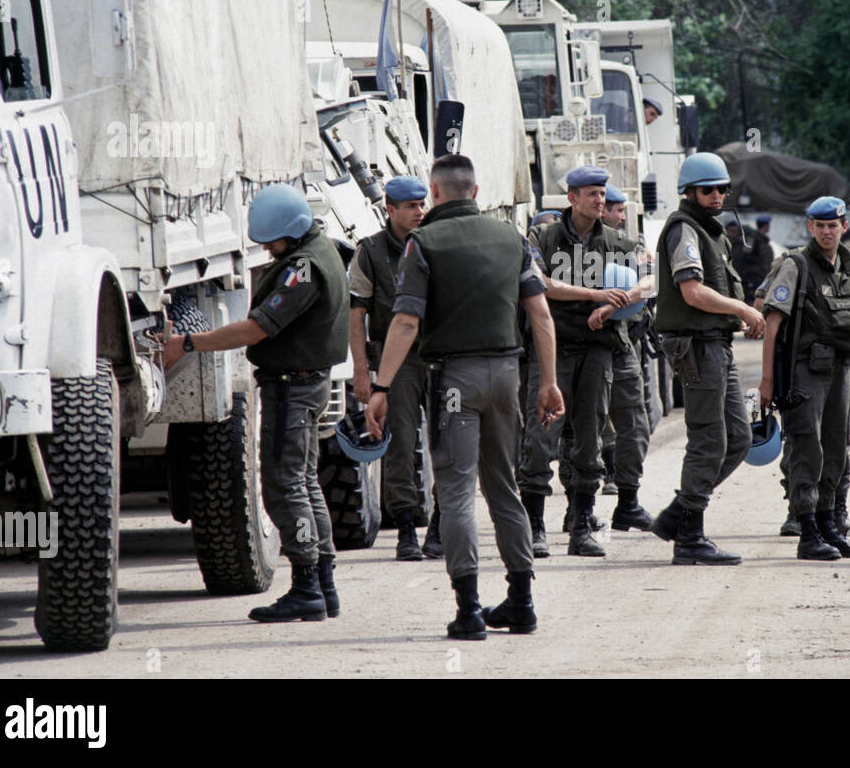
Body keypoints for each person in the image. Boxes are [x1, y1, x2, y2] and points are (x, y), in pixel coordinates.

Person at [365, 154, 564, 639]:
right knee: (504, 487)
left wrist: (382, 386)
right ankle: (521, 601)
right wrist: (549, 383)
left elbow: (407, 320)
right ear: (475, 192)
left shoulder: (422, 243)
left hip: (454, 379)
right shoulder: (511, 238)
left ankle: (470, 609)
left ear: (434, 194)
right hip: (507, 375)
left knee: (455, 491)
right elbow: (540, 315)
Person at [164, 183, 349, 622]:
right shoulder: (321, 250)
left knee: (285, 488)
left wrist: (188, 343)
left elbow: (255, 330)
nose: (268, 248)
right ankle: (324, 585)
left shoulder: (302, 270)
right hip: (305, 383)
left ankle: (306, 587)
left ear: (292, 231)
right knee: (305, 484)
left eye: (272, 241)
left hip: (293, 388)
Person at [519, 166, 652, 558]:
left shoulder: (617, 241)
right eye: (592, 194)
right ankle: (536, 527)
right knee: (541, 437)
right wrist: (597, 296)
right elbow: (541, 284)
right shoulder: (542, 238)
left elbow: (650, 278)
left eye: (602, 193)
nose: (600, 201)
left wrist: (620, 302)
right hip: (553, 350)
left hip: (598, 350)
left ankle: (581, 527)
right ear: (572, 198)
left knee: (590, 441)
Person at [651, 152, 766, 565]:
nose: (716, 195)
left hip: (716, 344)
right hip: (696, 346)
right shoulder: (685, 229)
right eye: (707, 189)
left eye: (721, 189)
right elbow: (693, 292)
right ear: (689, 192)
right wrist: (743, 309)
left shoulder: (711, 230)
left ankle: (678, 515)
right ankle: (689, 537)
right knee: (709, 440)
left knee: (738, 438)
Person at [758, 196, 850, 559]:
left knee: (836, 451)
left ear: (845, 226)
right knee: (807, 452)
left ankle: (829, 526)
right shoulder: (796, 266)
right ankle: (808, 531)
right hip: (805, 373)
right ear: (810, 227)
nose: (827, 232)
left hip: (842, 371)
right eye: (820, 225)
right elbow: (772, 325)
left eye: (834, 225)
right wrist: (767, 381)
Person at [348, 175, 434, 561]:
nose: (419, 212)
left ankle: (440, 528)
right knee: (399, 444)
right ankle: (404, 530)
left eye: (422, 204)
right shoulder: (370, 251)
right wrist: (362, 371)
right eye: (411, 206)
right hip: (394, 360)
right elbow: (356, 316)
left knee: (447, 441)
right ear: (390, 209)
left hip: (437, 352)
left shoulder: (434, 242)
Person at [596, 183, 656, 505]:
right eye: (617, 210)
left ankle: (627, 489)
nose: (621, 216)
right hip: (591, 343)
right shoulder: (577, 248)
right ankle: (606, 472)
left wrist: (630, 297)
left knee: (636, 414)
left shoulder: (630, 244)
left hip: (627, 339)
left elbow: (651, 278)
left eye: (620, 209)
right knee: (595, 416)